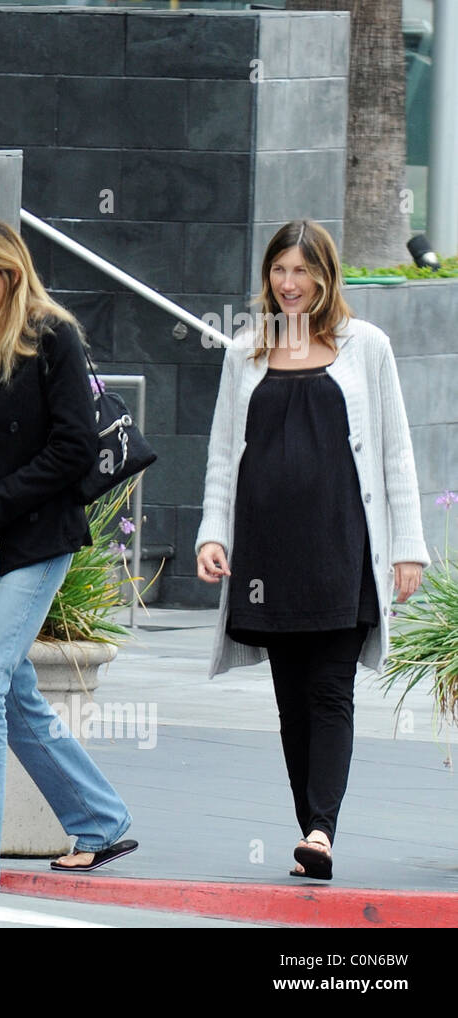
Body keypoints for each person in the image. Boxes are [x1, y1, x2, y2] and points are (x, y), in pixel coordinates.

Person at [196, 219, 428, 881]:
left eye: (303, 272)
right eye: (280, 271)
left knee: (331, 691)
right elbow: (220, 455)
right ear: (267, 276)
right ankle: (311, 831)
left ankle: (322, 830)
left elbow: (396, 452)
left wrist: (406, 548)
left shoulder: (367, 348)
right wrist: (214, 533)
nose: (291, 285)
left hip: (340, 548)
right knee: (291, 700)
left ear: (327, 277)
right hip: (267, 555)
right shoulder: (244, 351)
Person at [0, 220, 137, 891]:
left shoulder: (54, 339)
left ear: (8, 273)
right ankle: (99, 819)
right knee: (12, 690)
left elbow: (74, 446)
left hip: (38, 540)